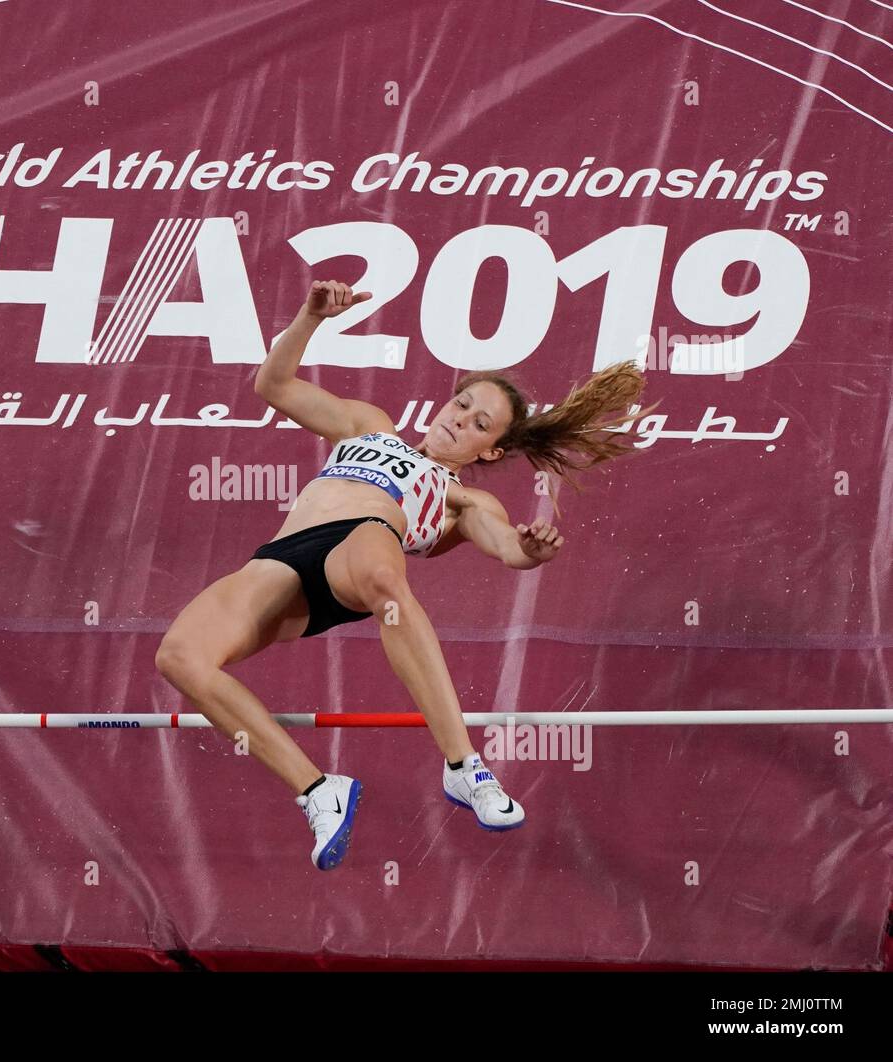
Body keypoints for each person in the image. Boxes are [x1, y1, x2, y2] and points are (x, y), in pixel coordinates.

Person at [155, 280, 657, 870]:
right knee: (180, 657)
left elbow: (508, 549)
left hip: (359, 560)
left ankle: (464, 768)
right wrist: (309, 318)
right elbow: (273, 385)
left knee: (376, 558)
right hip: (283, 560)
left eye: (479, 426)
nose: (460, 420)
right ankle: (319, 791)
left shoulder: (460, 499)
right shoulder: (369, 426)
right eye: (462, 406)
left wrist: (531, 548)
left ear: (491, 452)